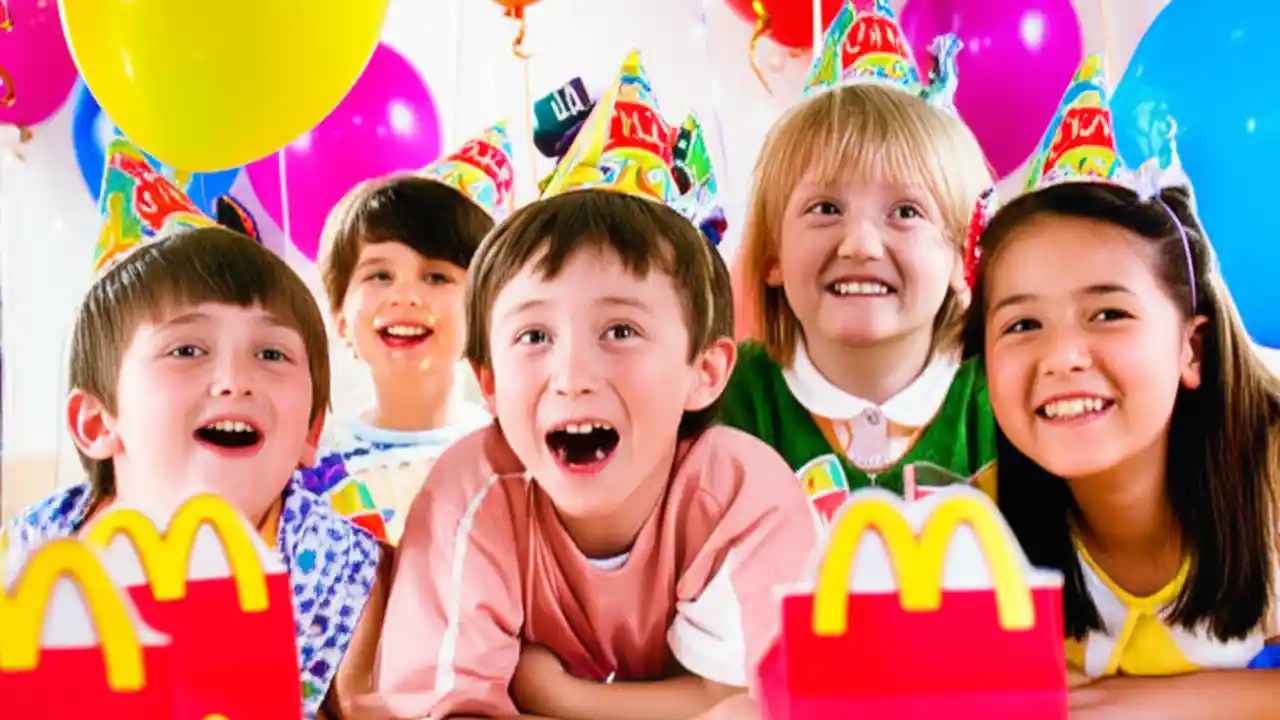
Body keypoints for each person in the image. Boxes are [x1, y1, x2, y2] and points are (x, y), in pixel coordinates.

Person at [369, 51, 818, 720]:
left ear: (705, 370)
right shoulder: (472, 494)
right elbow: (444, 707)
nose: (573, 376)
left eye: (620, 331)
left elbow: (756, 704)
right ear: (488, 384)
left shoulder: (741, 496)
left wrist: (555, 695)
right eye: (534, 337)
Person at [2, 138, 388, 720]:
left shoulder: (340, 569)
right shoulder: (39, 550)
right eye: (187, 348)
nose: (234, 379)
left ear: (312, 432)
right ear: (97, 421)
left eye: (272, 354)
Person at [965, 54, 1280, 715]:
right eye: (1023, 324)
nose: (1062, 356)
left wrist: (1129, 704)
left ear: (1190, 346)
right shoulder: (973, 533)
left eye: (1108, 313)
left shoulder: (1271, 478)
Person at [720, 0, 996, 521]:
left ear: (962, 257)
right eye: (825, 209)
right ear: (773, 254)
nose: (861, 245)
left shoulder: (994, 401)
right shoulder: (735, 401)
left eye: (905, 211)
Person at [306, 124, 514, 543]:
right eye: (379, 275)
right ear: (341, 319)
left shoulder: (506, 450)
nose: (406, 296)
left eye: (436, 277)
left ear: (483, 312)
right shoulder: (318, 459)